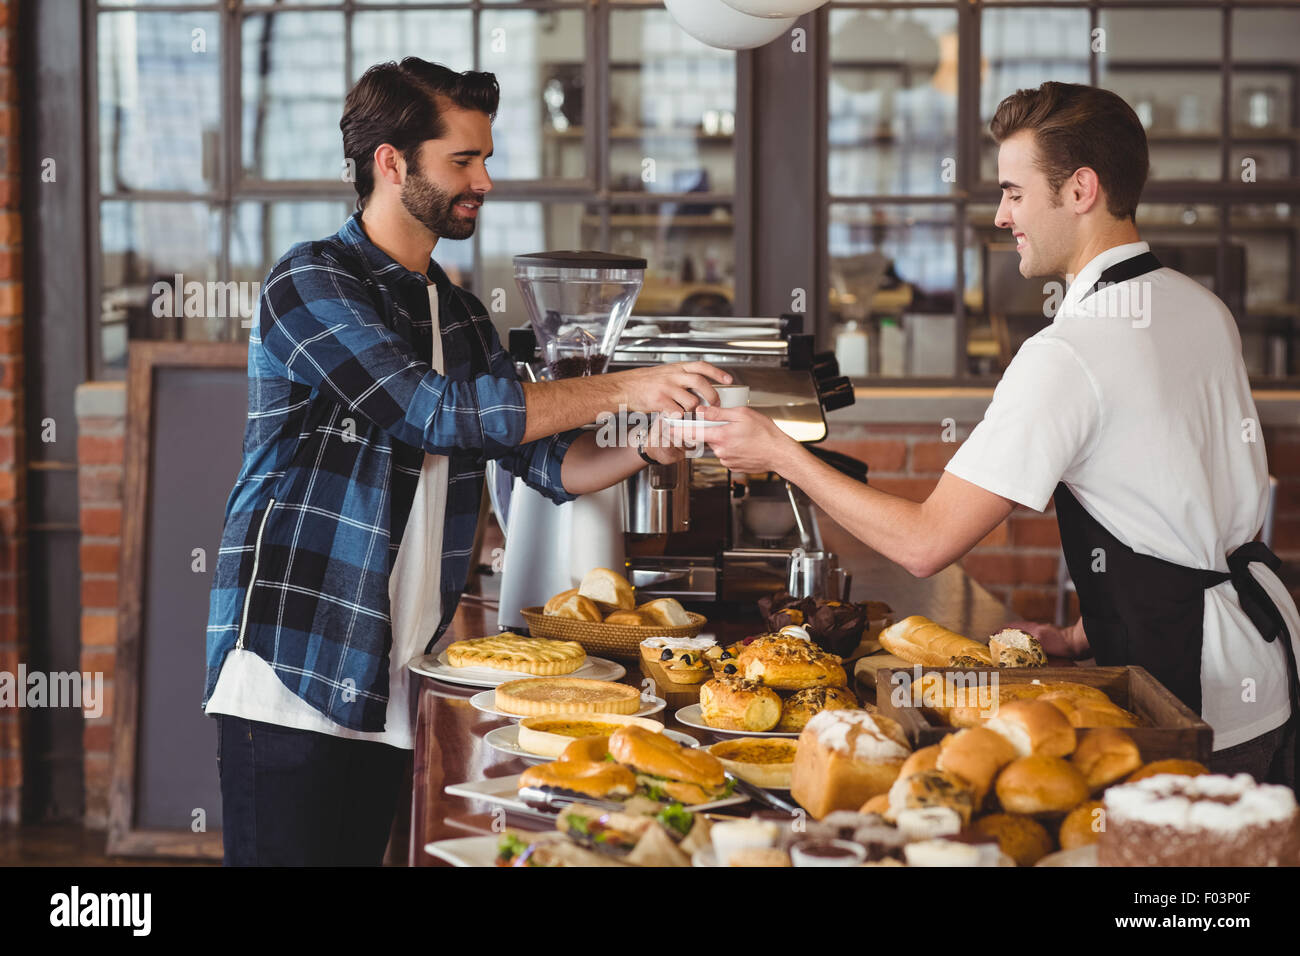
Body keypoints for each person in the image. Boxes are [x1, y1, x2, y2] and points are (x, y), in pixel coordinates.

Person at [203, 58, 728, 865]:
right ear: (391, 162)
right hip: (295, 671)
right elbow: (432, 413)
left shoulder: (456, 310)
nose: (484, 179)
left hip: (395, 671)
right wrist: (628, 384)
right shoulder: (310, 281)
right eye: (463, 160)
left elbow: (554, 464)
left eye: (485, 158)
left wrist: (643, 436)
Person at [699, 82, 1298, 789]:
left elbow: (926, 543)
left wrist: (780, 453)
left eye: (1014, 192)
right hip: (1267, 668)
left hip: (1186, 701)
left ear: (1080, 190)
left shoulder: (1070, 352)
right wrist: (1082, 634)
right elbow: (1179, 509)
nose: (1000, 214)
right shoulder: (1200, 307)